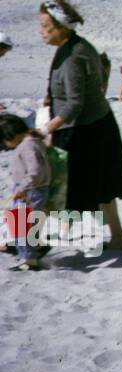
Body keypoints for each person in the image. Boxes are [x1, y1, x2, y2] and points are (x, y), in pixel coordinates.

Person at [38, 0, 122, 251]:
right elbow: (98, 80)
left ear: (61, 26)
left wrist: (47, 129)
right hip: (97, 123)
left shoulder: (72, 57)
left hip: (81, 131)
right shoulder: (75, 45)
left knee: (52, 184)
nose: (41, 31)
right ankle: (118, 237)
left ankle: (30, 240)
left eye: (46, 26)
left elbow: (74, 104)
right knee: (103, 185)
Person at [2, 113, 51, 270]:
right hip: (33, 189)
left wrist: (23, 188)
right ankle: (33, 249)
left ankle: (29, 260)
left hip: (31, 190)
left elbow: (35, 171)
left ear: (12, 135)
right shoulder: (33, 141)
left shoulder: (28, 146)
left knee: (22, 224)